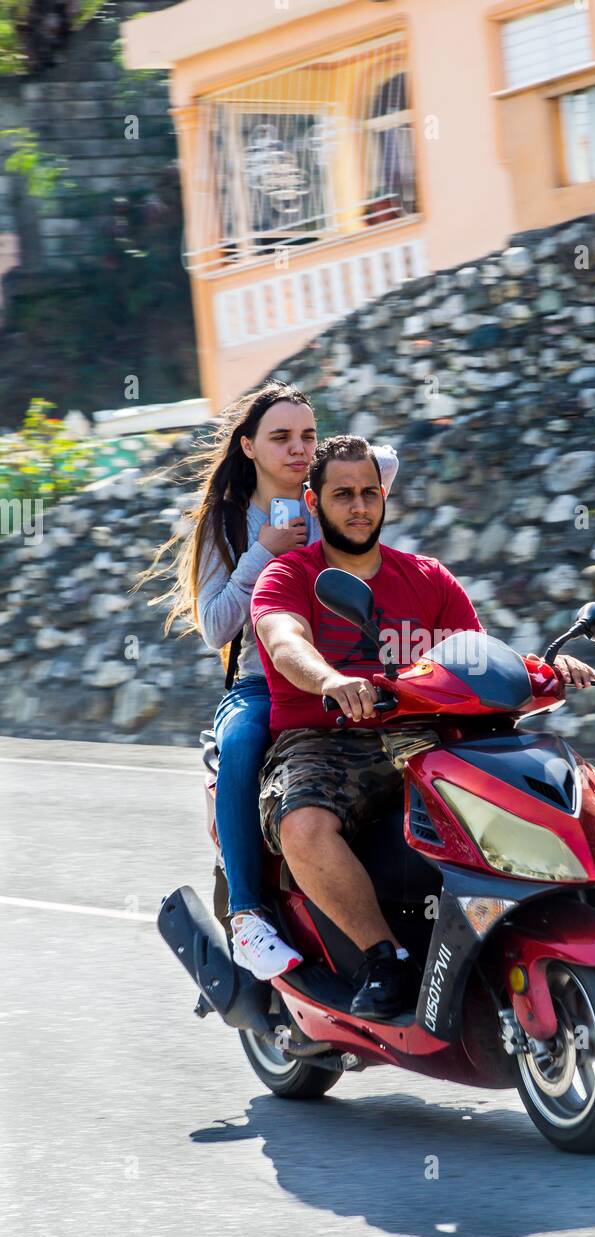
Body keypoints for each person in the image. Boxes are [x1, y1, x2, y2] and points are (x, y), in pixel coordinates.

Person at [250, 435, 595, 1021]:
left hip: (429, 734)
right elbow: (285, 643)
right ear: (312, 502)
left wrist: (547, 670)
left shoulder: (429, 578)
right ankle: (382, 957)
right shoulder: (289, 575)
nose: (359, 506)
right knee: (304, 825)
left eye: (369, 493)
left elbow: (476, 658)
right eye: (342, 495)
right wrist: (332, 680)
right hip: (330, 737)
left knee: (520, 791)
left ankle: (524, 914)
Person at [136, 382, 398, 981]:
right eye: (280, 438)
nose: (298, 448)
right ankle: (250, 917)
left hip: (351, 672)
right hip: (260, 682)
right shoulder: (225, 525)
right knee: (243, 744)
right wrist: (263, 551)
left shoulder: (329, 494)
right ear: (248, 447)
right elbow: (217, 627)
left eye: (308, 435)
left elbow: (385, 463)